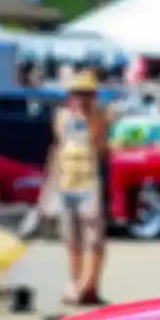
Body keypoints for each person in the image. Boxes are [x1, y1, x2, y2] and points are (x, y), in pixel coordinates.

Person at [48, 71, 111, 305]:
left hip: (89, 182)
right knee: (71, 239)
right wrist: (50, 186)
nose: (81, 99)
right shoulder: (62, 116)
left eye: (87, 94)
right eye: (78, 93)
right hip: (67, 184)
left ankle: (88, 283)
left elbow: (100, 146)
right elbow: (57, 147)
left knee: (93, 237)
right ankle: (77, 283)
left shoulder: (98, 117)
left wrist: (90, 116)